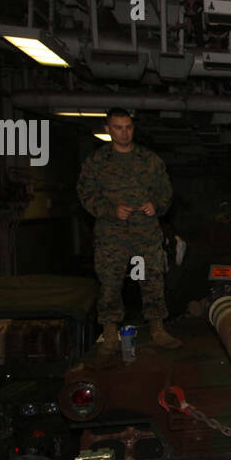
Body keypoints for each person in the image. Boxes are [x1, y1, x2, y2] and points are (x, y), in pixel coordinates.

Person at [77, 107, 181, 360]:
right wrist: (110, 210)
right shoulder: (97, 162)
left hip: (145, 233)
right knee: (110, 283)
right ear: (108, 129)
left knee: (153, 280)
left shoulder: (150, 160)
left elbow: (166, 192)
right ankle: (110, 334)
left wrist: (155, 205)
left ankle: (157, 328)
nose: (124, 133)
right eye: (118, 128)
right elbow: (86, 195)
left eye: (128, 127)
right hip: (112, 235)